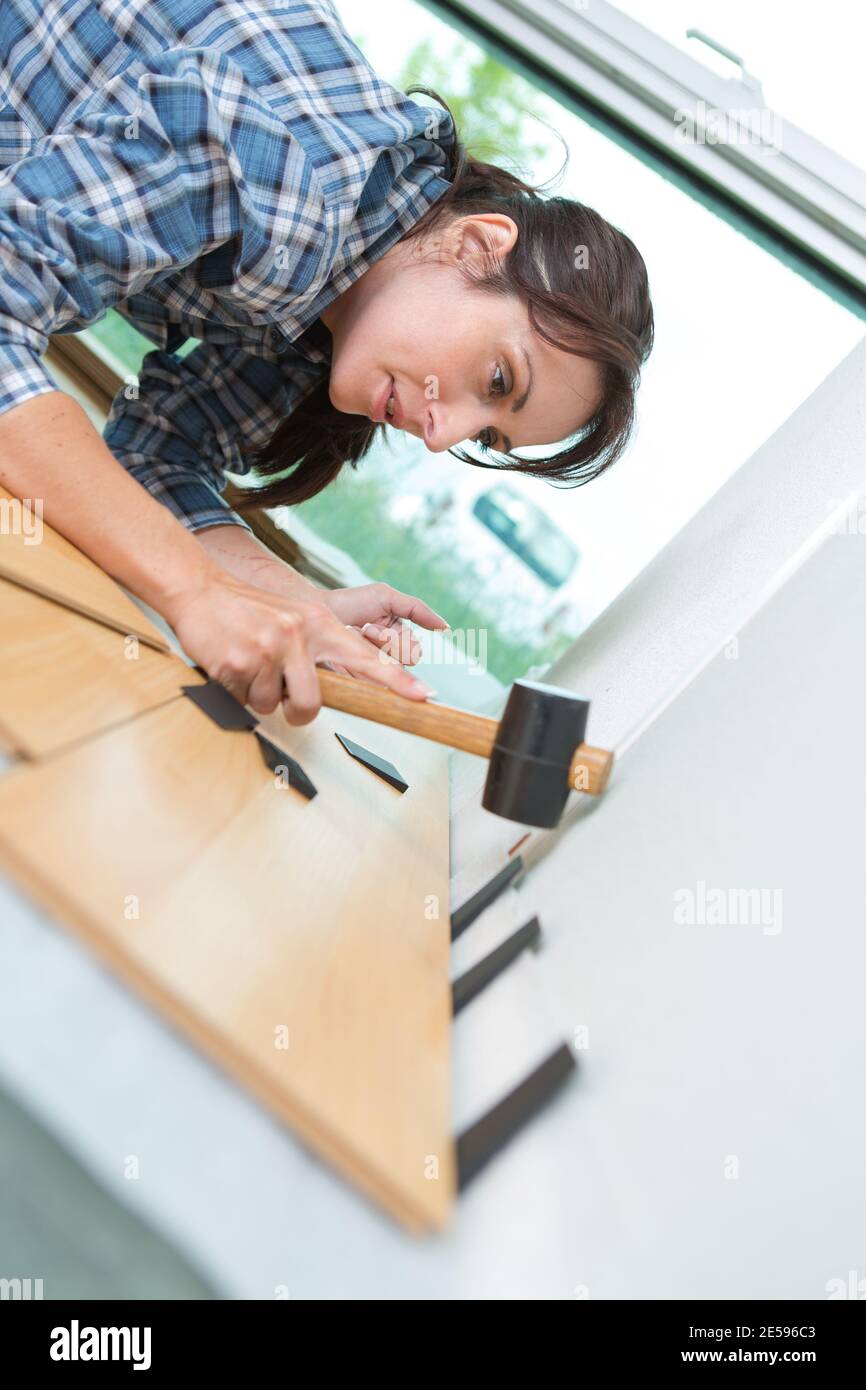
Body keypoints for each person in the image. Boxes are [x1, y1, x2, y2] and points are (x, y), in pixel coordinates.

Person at [0, 0, 653, 724]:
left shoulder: (335, 313)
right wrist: (195, 594)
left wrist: (290, 600)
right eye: (498, 380)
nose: (440, 435)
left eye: (482, 435)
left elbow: (160, 455)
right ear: (477, 245)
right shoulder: (293, 192)